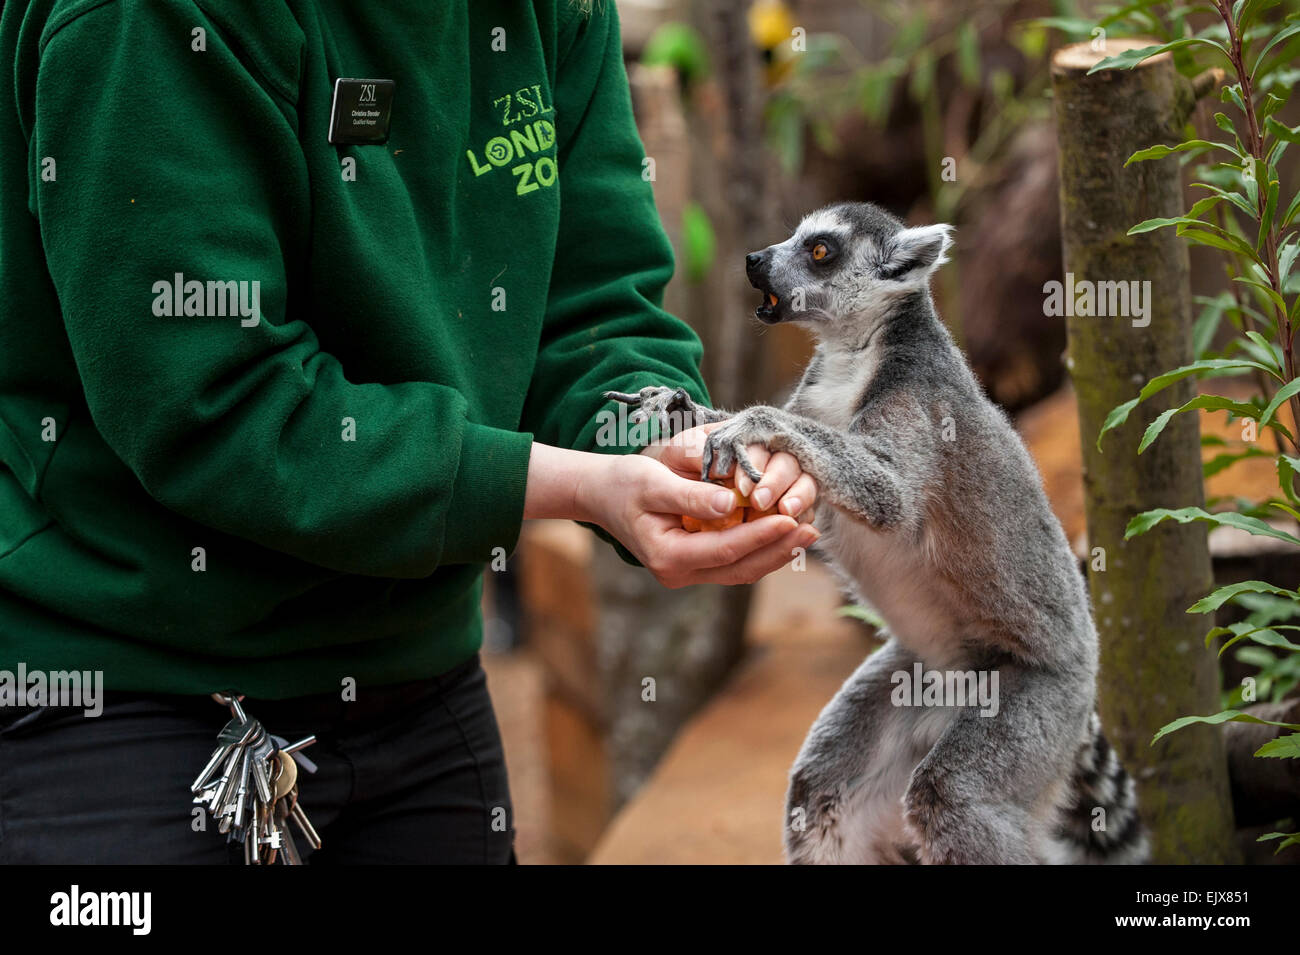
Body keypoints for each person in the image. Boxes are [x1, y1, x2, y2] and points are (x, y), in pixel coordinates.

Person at [0, 0, 818, 863]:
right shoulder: (143, 24)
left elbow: (595, 308)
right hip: (124, 685)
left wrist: (670, 437)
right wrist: (564, 484)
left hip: (410, 668)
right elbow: (217, 400)